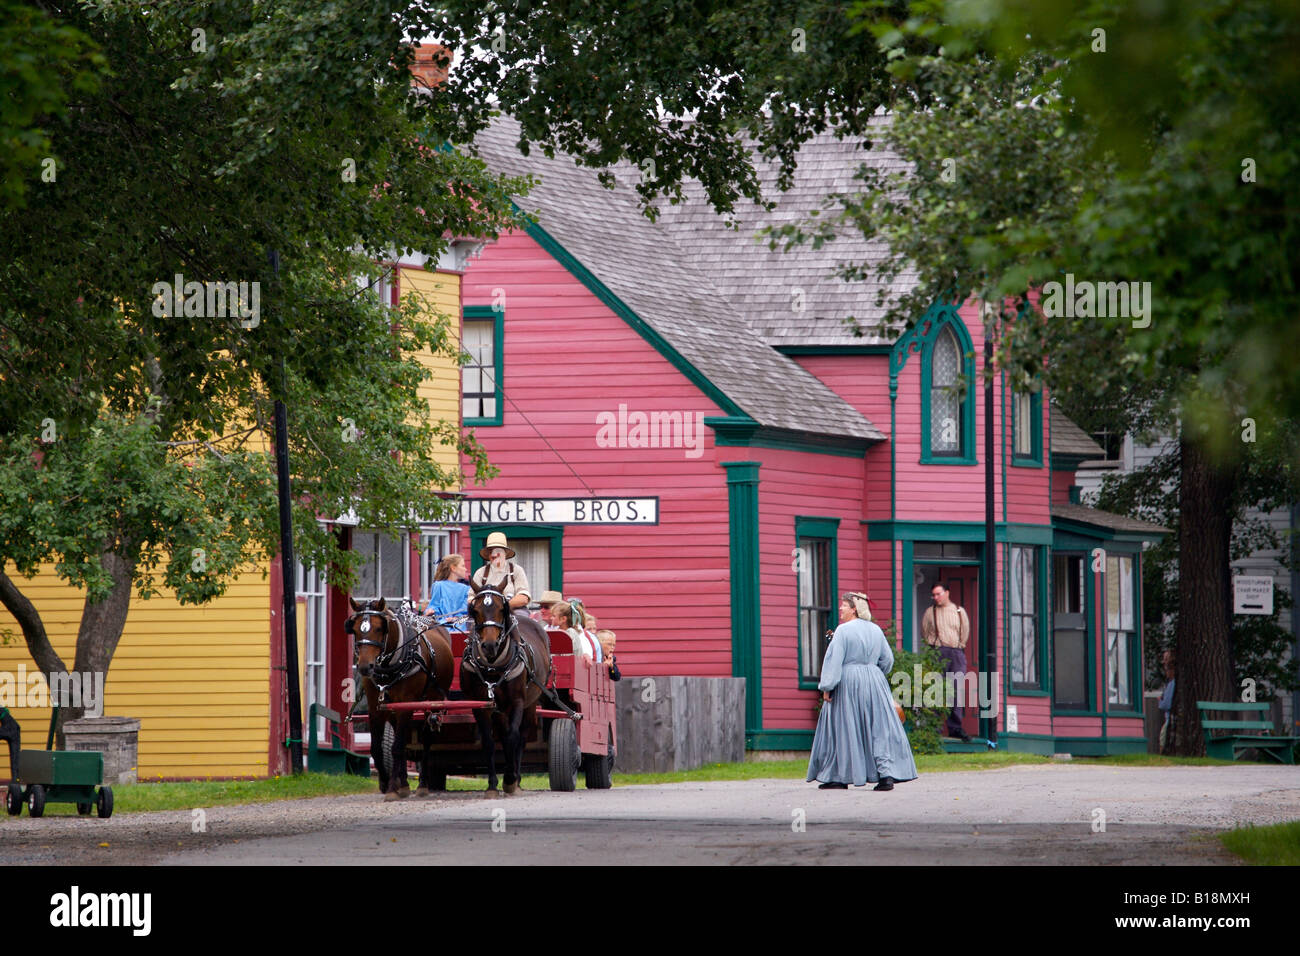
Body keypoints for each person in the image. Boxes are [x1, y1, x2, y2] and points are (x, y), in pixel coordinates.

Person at [807, 592, 918, 791]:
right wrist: (873, 673)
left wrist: (827, 687)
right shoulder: (876, 630)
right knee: (878, 727)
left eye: (843, 605)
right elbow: (888, 660)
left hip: (849, 682)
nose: (840, 609)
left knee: (844, 727)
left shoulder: (842, 631)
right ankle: (886, 776)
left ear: (854, 608)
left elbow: (834, 661)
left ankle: (840, 776)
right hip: (875, 681)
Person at [921, 582, 972, 742]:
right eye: (934, 595)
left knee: (955, 689)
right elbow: (925, 631)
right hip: (938, 651)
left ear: (947, 593)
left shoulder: (959, 611)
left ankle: (955, 727)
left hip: (956, 652)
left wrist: (958, 646)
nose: (936, 598)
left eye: (938, 594)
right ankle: (934, 728)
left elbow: (965, 631)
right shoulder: (931, 612)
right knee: (936, 689)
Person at [471, 532, 531, 610]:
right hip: (487, 613)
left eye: (498, 551)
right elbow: (471, 598)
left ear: (505, 553)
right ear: (489, 555)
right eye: (491, 551)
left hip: (514, 611)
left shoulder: (516, 570)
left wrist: (502, 606)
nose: (495, 555)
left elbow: (523, 598)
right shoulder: (480, 573)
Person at [424, 554, 471, 631]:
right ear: (453, 568)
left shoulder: (466, 589)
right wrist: (430, 611)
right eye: (463, 566)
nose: (465, 569)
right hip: (441, 627)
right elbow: (434, 605)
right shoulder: (438, 586)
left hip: (460, 628)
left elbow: (464, 610)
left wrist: (456, 618)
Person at [1157, 649, 1176, 754]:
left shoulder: (1172, 684)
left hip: (1170, 719)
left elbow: (1166, 704)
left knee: (1163, 739)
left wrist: (1160, 701)